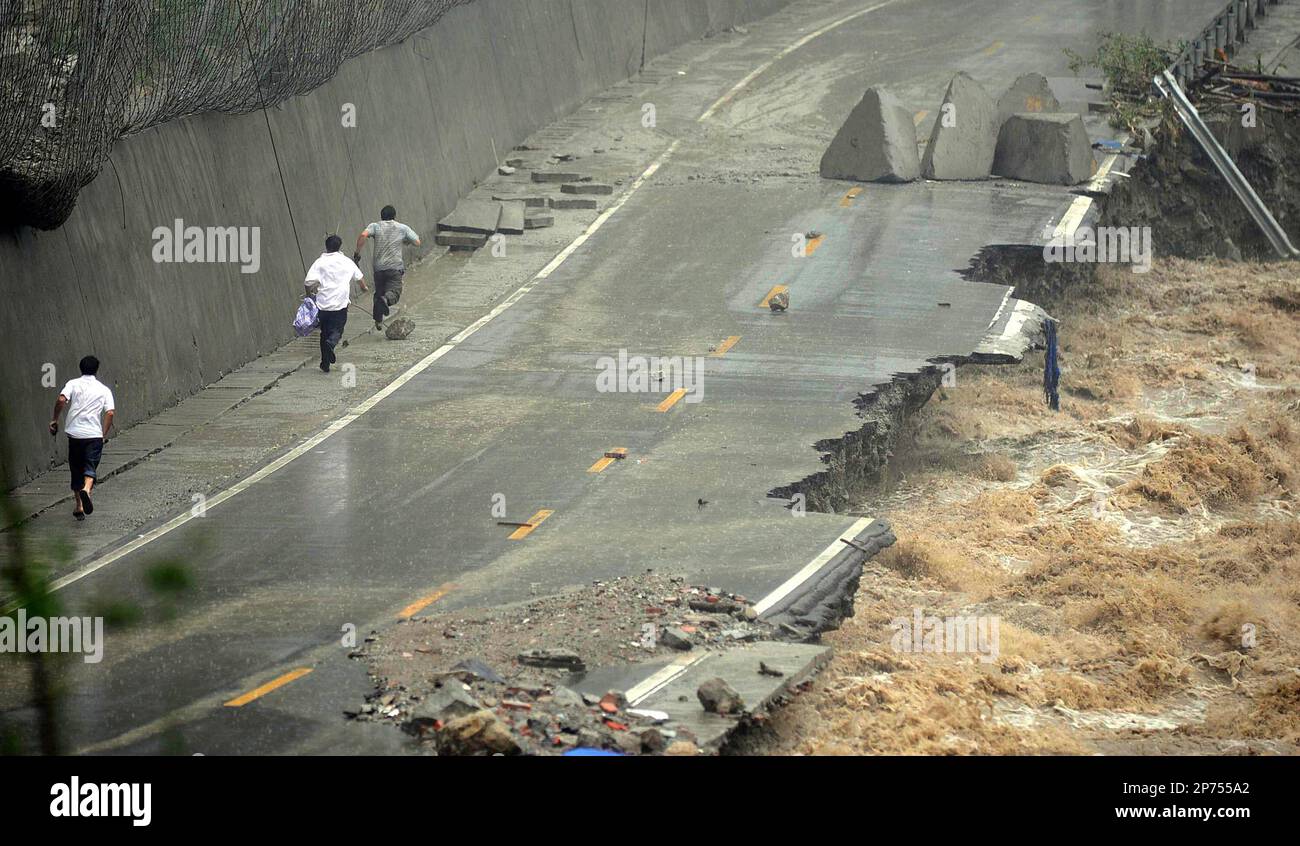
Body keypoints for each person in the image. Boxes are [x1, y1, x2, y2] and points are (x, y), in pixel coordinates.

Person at [49, 355, 115, 521]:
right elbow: (110, 412)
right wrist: (103, 434)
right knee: (90, 465)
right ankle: (87, 489)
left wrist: (55, 419)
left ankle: (78, 505)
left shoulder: (73, 384)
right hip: (93, 434)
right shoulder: (104, 389)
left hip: (75, 434)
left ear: (81, 368)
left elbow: (61, 399)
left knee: (76, 467)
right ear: (96, 370)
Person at [306, 235, 367, 373]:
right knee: (337, 331)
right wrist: (365, 289)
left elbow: (308, 283)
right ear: (340, 246)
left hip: (322, 305)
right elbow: (361, 281)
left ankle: (325, 363)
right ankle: (332, 343)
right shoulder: (347, 262)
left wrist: (309, 297)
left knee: (324, 333)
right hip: (340, 305)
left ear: (326, 246)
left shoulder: (319, 262)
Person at [354, 205, 420, 331]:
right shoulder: (402, 228)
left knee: (378, 294)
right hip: (394, 268)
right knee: (394, 292)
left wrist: (357, 253)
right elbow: (417, 242)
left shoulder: (375, 226)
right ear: (394, 216)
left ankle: (378, 321)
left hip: (378, 269)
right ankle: (386, 299)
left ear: (381, 216)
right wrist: (405, 240)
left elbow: (363, 235)